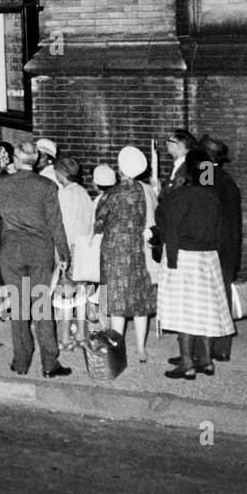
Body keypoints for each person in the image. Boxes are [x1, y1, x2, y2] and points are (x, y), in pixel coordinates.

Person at [0, 141, 72, 377]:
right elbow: (55, 223)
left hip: (11, 252)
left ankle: (21, 361)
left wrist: (0, 171)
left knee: (18, 307)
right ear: (36, 160)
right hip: (39, 252)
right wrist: (63, 253)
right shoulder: (47, 185)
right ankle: (49, 363)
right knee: (41, 305)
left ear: (16, 160)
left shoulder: (1, 184)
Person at [157, 149, 235, 379]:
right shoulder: (212, 195)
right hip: (209, 257)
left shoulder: (180, 196)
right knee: (205, 311)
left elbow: (168, 227)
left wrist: (171, 262)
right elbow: (220, 229)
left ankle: (187, 363)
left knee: (184, 313)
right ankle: (206, 360)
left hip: (184, 257)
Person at [96, 147, 158, 362]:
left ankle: (117, 349)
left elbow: (99, 221)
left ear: (121, 168)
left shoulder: (111, 193)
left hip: (114, 251)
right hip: (140, 249)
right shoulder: (147, 190)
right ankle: (141, 349)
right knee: (140, 301)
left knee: (117, 303)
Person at [200, 136, 242, 363]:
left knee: (205, 299)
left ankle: (201, 351)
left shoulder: (207, 174)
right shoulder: (226, 179)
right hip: (227, 248)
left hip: (211, 248)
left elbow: (204, 208)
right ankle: (222, 348)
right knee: (222, 298)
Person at [54, 155, 95, 352]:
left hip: (69, 248)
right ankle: (80, 334)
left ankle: (64, 338)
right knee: (81, 293)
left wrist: (61, 254)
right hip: (84, 249)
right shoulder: (83, 193)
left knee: (65, 294)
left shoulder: (64, 194)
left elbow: (63, 226)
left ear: (61, 174)